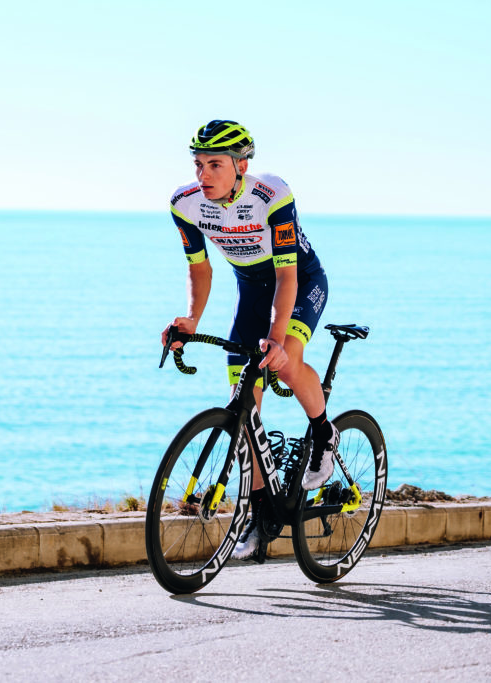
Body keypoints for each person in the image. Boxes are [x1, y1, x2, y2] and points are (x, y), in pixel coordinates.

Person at [161, 119, 338, 563]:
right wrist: (189, 319)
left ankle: (324, 434)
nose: (203, 174)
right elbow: (201, 269)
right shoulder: (185, 205)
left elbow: (285, 273)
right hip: (250, 292)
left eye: (214, 165)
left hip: (297, 282)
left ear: (240, 165)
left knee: (285, 358)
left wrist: (277, 339)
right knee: (245, 408)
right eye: (198, 164)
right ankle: (261, 517)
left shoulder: (271, 195)